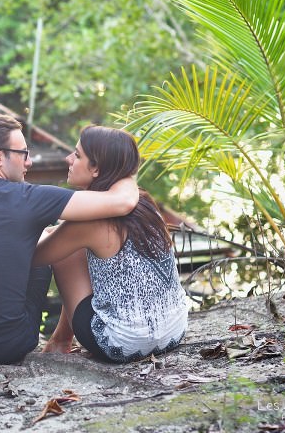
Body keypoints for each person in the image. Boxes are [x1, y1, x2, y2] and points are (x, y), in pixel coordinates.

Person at [0, 114, 139, 371]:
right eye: (23, 153)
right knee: (50, 241)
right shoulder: (29, 199)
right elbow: (121, 203)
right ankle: (60, 340)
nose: (30, 161)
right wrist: (126, 172)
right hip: (8, 347)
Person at [33, 125, 188, 363]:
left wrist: (42, 232)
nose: (68, 159)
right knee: (72, 242)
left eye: (77, 155)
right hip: (174, 332)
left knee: (65, 252)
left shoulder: (90, 223)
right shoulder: (144, 202)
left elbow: (36, 257)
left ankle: (61, 341)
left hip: (121, 343)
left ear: (96, 168)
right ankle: (60, 340)